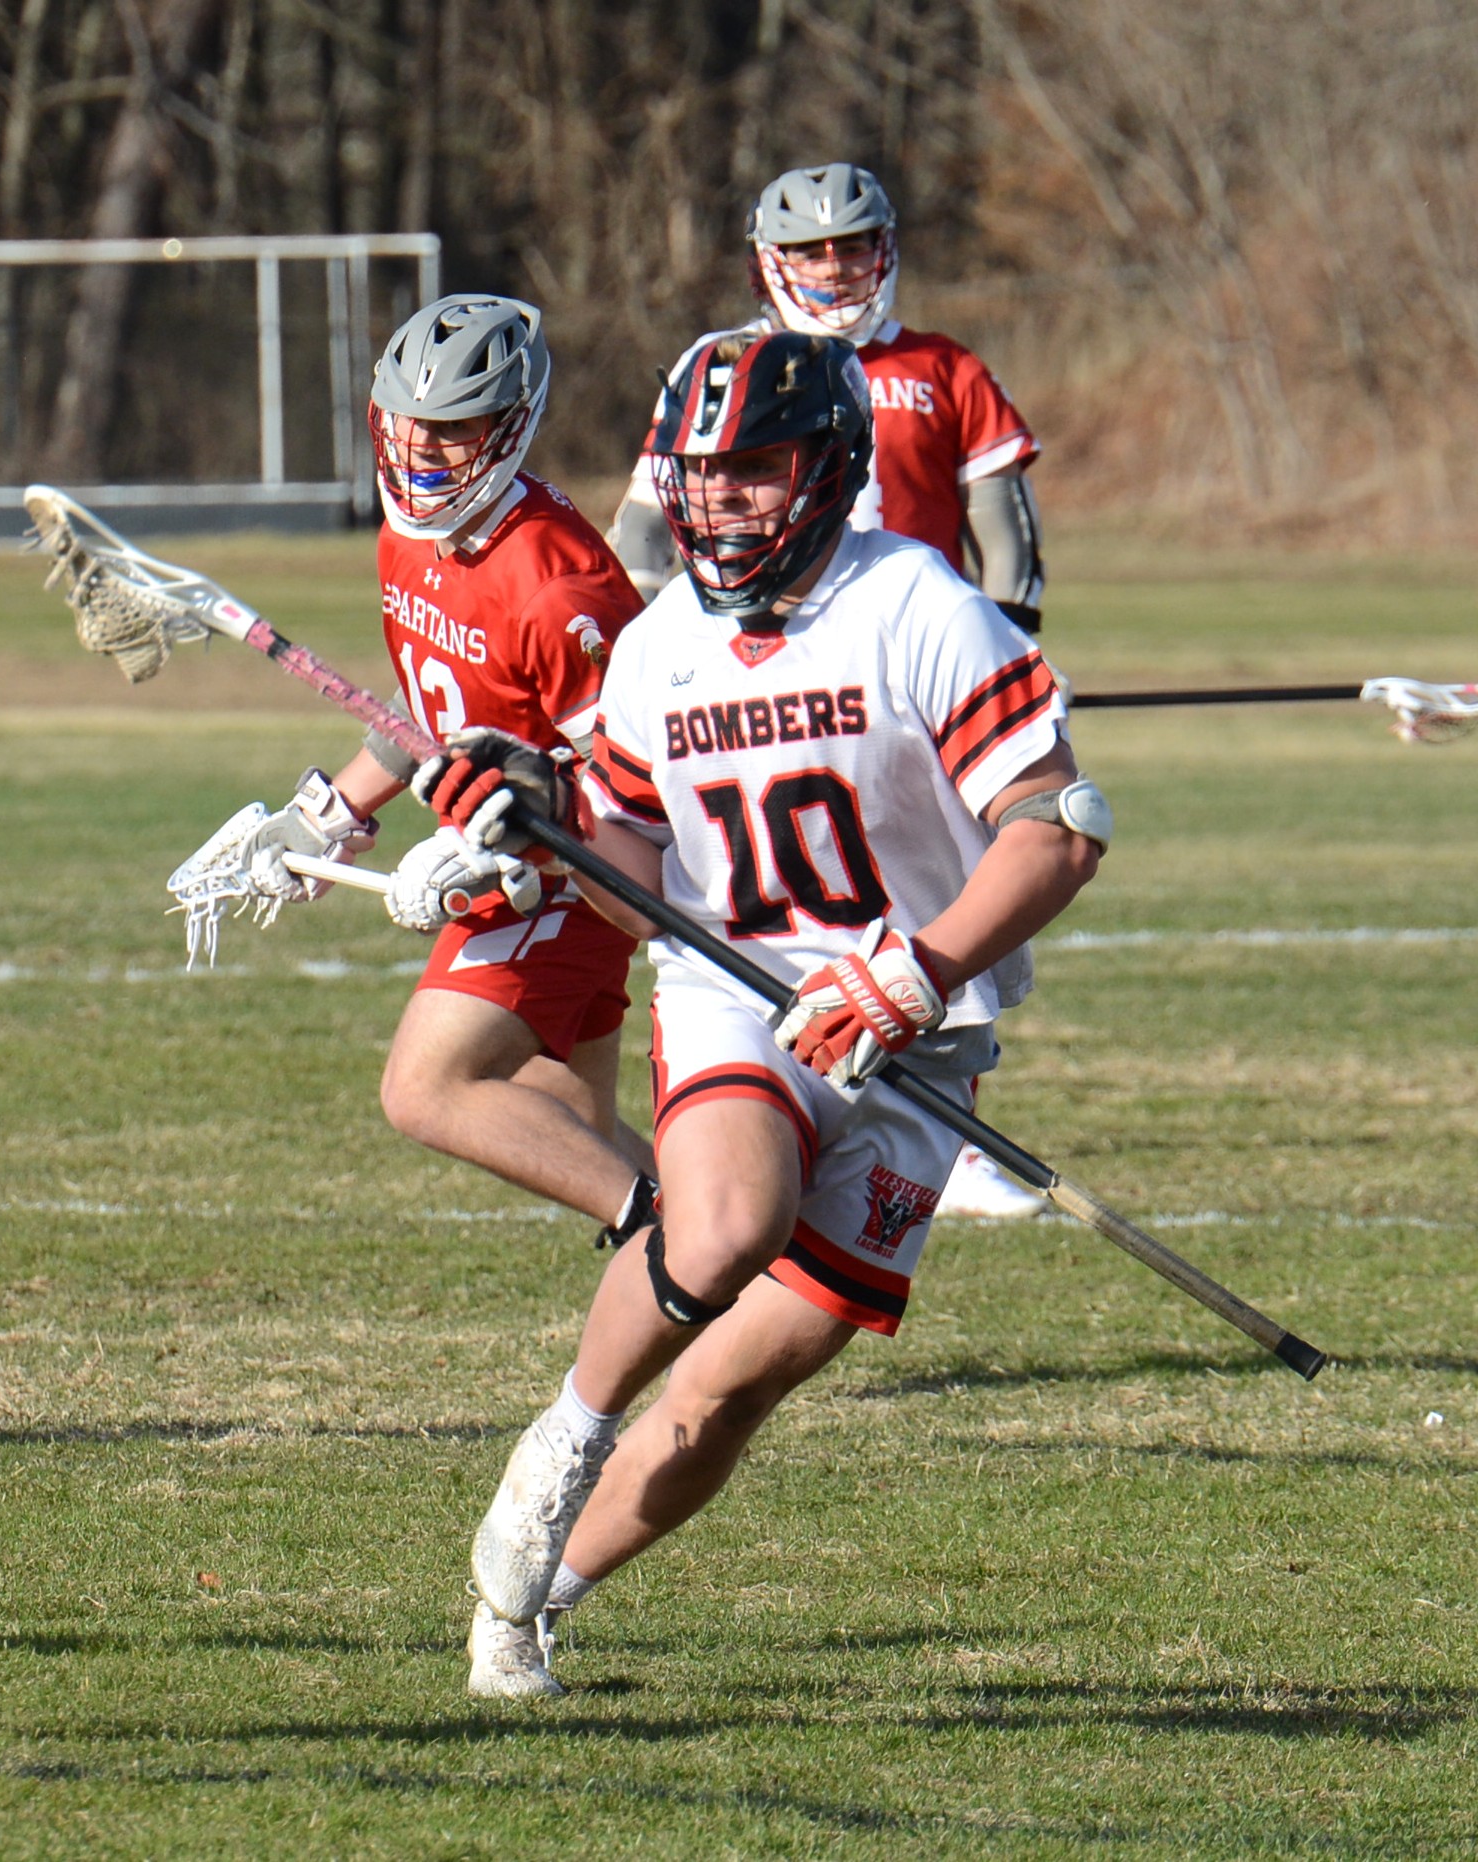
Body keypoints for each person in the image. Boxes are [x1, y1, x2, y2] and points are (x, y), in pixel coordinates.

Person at [434, 329, 1103, 1697]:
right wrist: (534, 834)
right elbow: (630, 883)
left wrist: (915, 968)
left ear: (831, 464)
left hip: (920, 1029)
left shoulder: (917, 605)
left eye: (754, 470)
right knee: (726, 1220)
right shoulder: (660, 644)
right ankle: (561, 1437)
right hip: (741, 994)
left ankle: (529, 1604)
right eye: (701, 472)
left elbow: (1057, 827)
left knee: (745, 1379)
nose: (720, 498)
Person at [618, 163, 1055, 1219]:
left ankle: (938, 1121)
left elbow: (1008, 534)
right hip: (755, 661)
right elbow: (642, 527)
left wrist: (1011, 657)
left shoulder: (942, 367)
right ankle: (763, 1104)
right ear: (770, 259)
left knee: (939, 874)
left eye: (852, 247)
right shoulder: (716, 369)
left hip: (909, 669)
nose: (833, 267)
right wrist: (640, 663)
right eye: (811, 250)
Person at [182, 293, 659, 1257]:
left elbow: (639, 797)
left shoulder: (562, 586)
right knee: (568, 1124)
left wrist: (493, 857)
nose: (426, 451)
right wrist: (324, 818)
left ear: (512, 426)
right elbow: (436, 714)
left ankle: (682, 1243)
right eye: (411, 425)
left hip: (567, 880)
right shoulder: (408, 534)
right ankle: (758, 1241)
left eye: (456, 430)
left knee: (424, 1088)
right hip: (508, 862)